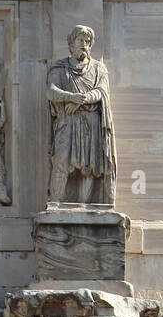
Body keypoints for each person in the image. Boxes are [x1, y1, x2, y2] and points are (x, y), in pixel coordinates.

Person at [46, 24, 116, 204]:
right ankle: (55, 202)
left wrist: (82, 100)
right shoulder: (59, 68)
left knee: (89, 166)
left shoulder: (99, 69)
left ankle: (85, 206)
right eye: (80, 40)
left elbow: (102, 92)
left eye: (88, 41)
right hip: (67, 121)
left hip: (91, 120)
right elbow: (51, 91)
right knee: (61, 161)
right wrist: (71, 97)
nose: (84, 44)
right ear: (71, 43)